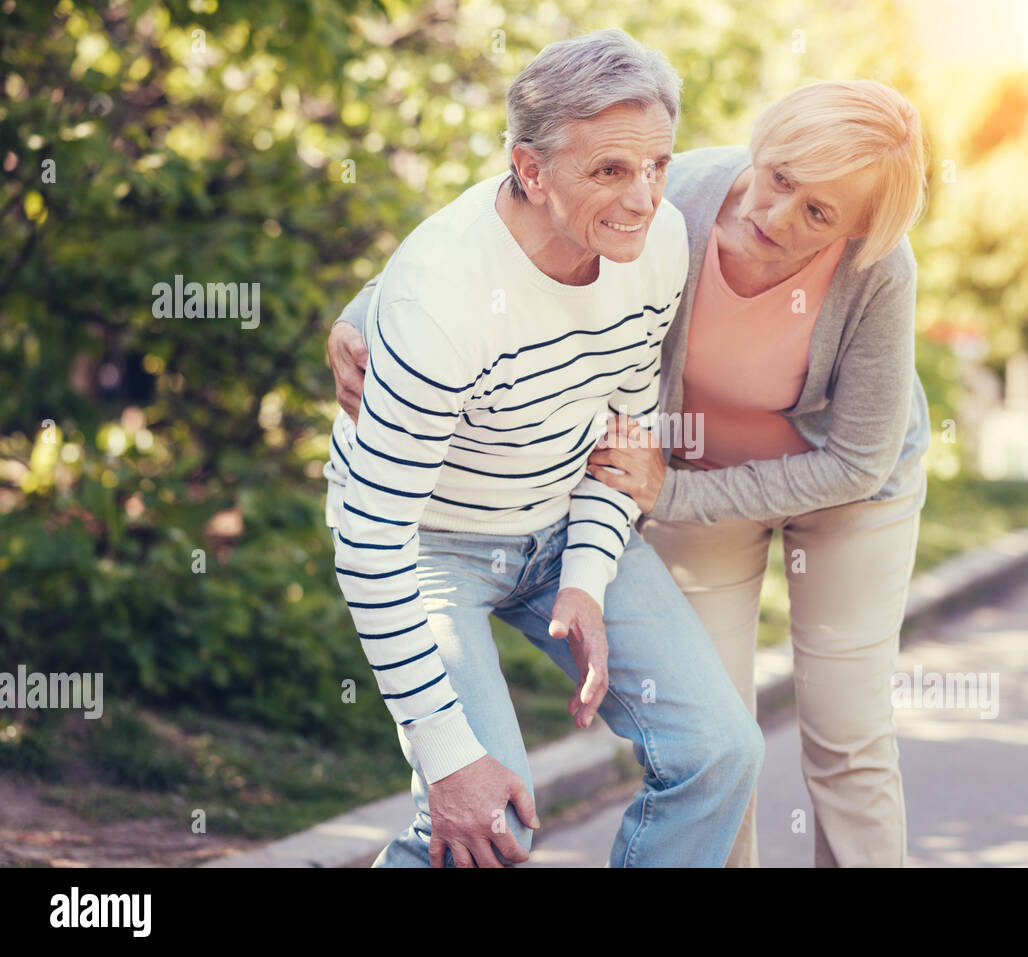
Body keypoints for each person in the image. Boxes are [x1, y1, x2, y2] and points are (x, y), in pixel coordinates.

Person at [333, 79, 929, 868]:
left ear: (857, 230)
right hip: (685, 474)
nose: (776, 216)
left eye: (820, 213)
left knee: (848, 734)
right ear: (763, 147)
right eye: (780, 178)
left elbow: (857, 459)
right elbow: (501, 229)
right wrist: (365, 309)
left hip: (842, 486)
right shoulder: (670, 192)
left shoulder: (877, 271)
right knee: (718, 744)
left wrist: (663, 493)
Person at [323, 28, 763, 869]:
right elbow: (371, 539)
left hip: (561, 518)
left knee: (721, 751)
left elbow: (623, 442)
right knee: (487, 821)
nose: (643, 198)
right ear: (529, 170)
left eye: (657, 167)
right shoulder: (441, 300)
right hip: (429, 547)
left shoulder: (658, 242)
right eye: (609, 170)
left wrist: (588, 578)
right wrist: (450, 760)